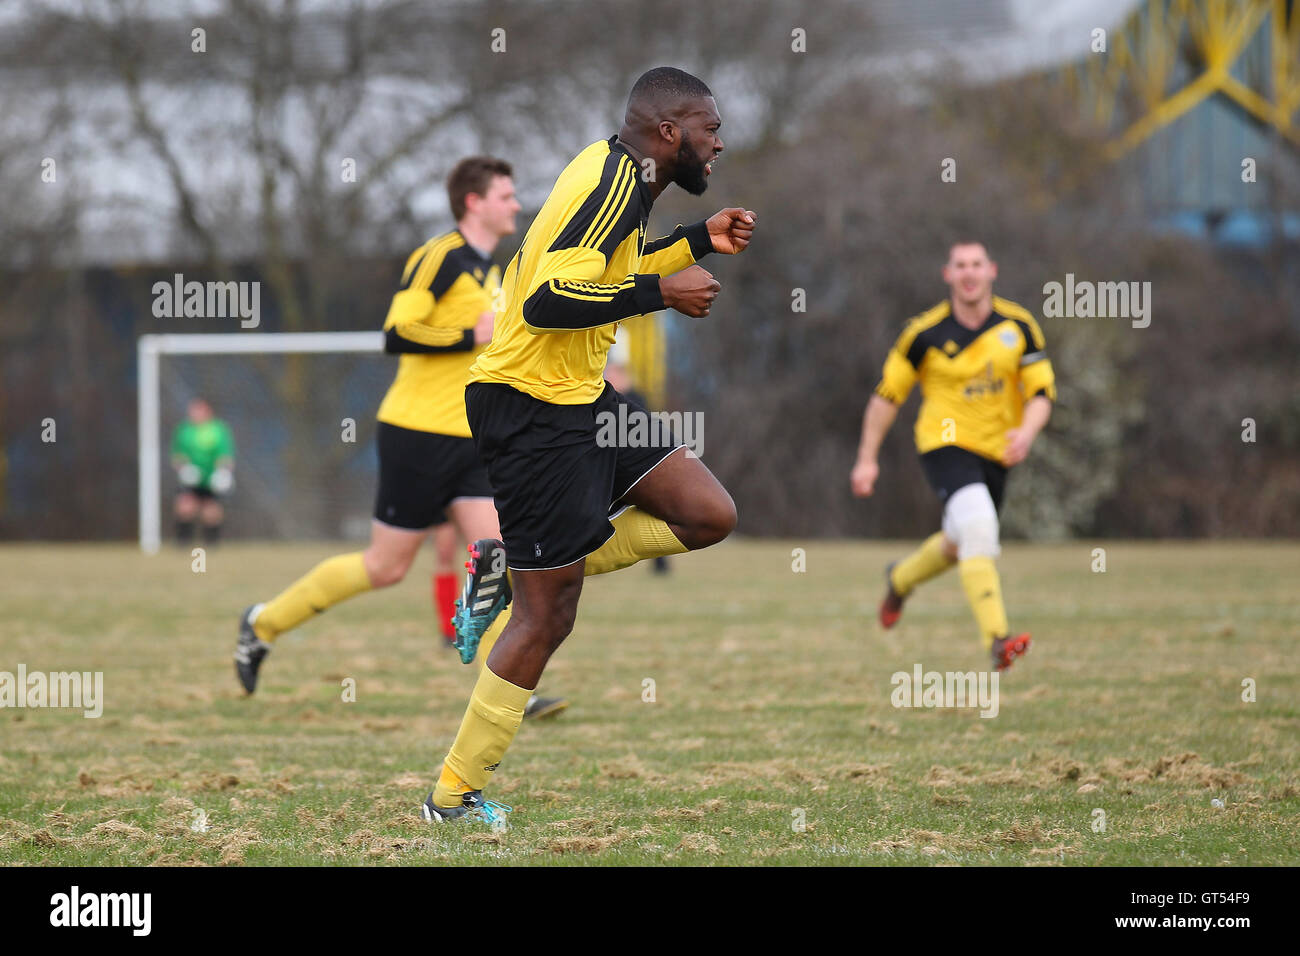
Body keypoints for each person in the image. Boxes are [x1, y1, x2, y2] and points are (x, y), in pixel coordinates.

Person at [421, 66, 756, 825]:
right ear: (670, 131)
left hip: (582, 397)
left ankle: (514, 563)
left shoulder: (628, 176)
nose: (720, 143)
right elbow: (546, 302)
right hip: (530, 408)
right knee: (549, 616)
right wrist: (662, 295)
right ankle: (452, 795)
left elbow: (606, 268)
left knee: (707, 513)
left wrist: (694, 243)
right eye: (711, 129)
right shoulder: (611, 182)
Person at [233, 155, 566, 719]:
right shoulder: (437, 257)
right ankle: (262, 623)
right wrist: (468, 333)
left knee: (498, 557)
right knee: (385, 568)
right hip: (416, 435)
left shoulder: (496, 270)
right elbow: (396, 332)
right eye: (506, 195)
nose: (515, 204)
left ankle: (510, 691)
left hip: (472, 441)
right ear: (474, 202)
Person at [850, 240, 1056, 672]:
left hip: (999, 451)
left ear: (991, 271)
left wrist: (1028, 431)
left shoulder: (1018, 326)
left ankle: (900, 578)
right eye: (960, 265)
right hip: (944, 444)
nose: (969, 273)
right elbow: (887, 397)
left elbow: (1041, 394)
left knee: (956, 543)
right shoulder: (922, 334)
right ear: (948, 274)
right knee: (979, 528)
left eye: (976, 265)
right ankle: (998, 640)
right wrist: (867, 458)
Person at [171, 398, 235, 546]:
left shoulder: (218, 430)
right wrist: (185, 470)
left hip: (211, 478)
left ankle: (212, 545)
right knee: (185, 506)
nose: (194, 413)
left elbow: (225, 455)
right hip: (191, 478)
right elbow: (177, 455)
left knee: (211, 511)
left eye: (198, 410)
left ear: (208, 411)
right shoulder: (184, 430)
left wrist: (223, 473)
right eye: (193, 410)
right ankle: (183, 543)